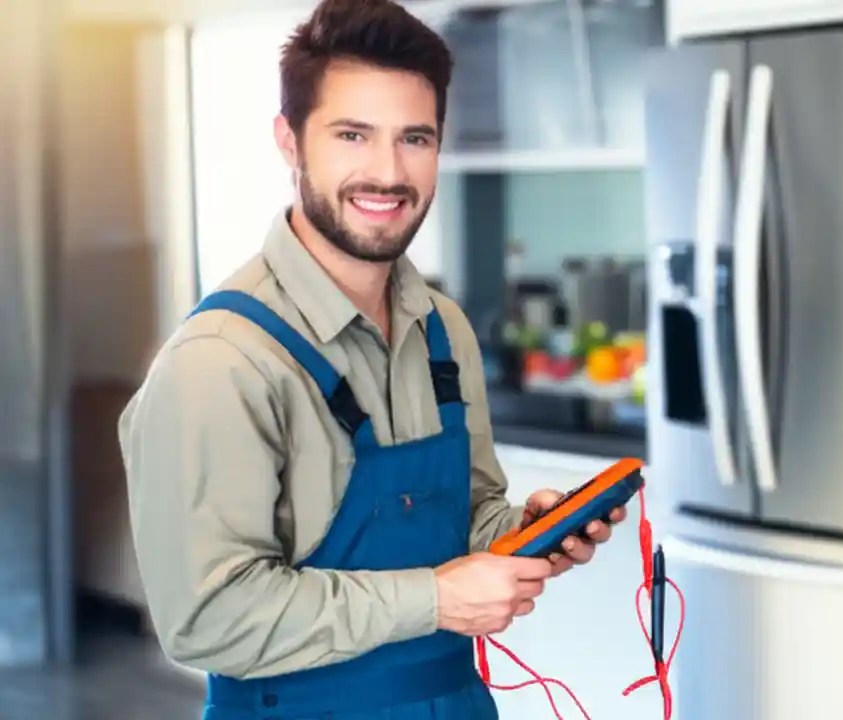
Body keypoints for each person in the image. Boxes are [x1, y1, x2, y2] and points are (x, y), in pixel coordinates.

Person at [117, 0, 623, 717]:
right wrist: (437, 599)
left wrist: (519, 535)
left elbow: (464, 516)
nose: (387, 173)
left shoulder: (443, 329)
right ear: (289, 142)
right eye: (353, 135)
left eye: (415, 138)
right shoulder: (220, 364)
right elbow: (208, 618)